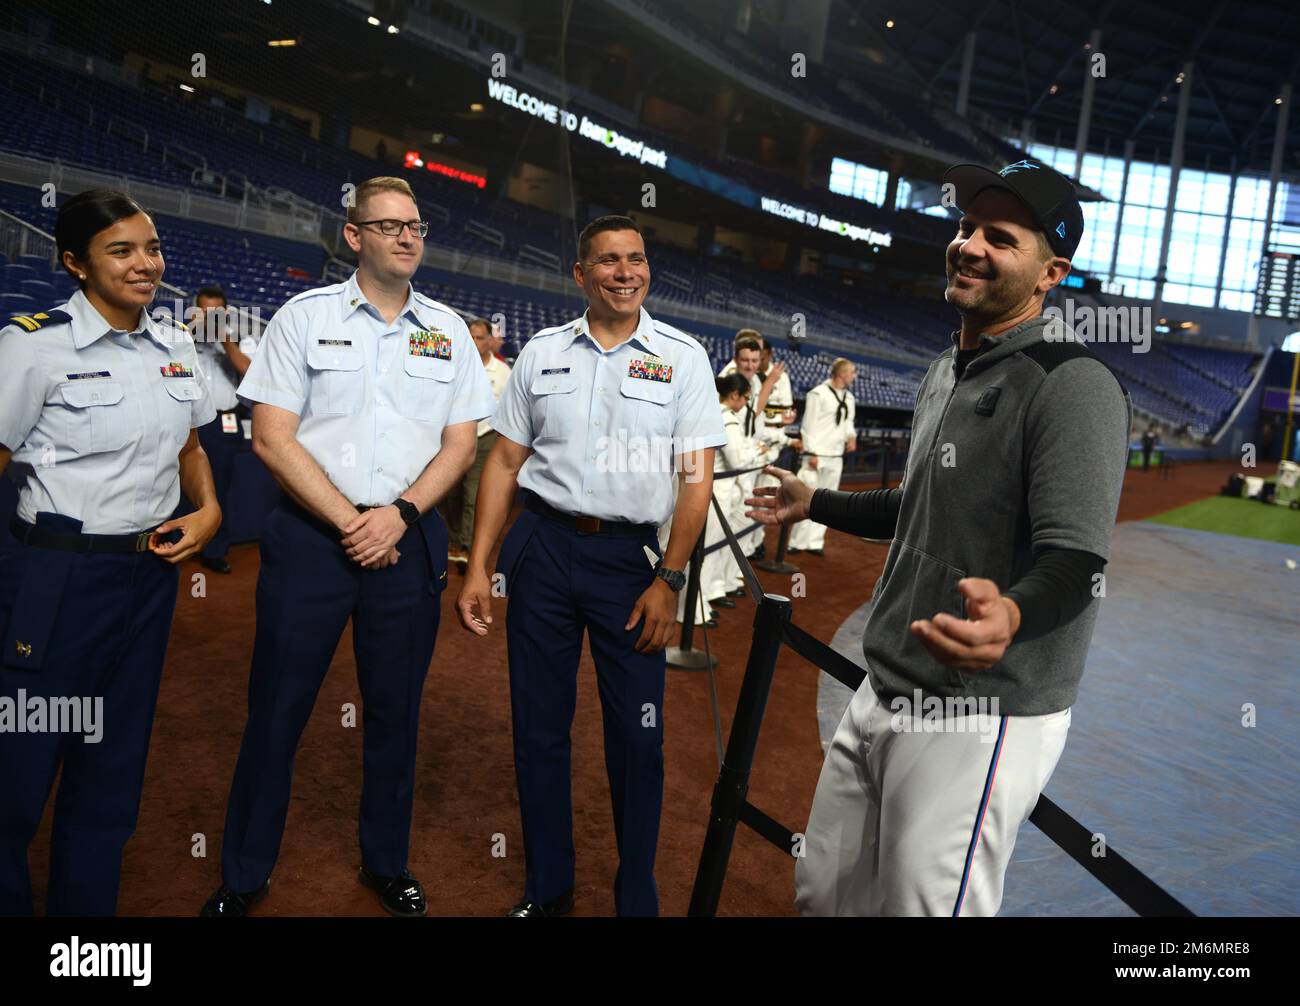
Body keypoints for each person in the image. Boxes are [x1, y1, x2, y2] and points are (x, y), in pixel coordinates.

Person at [749, 161, 1131, 916]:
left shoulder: (1072, 382)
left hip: (980, 711)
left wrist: (1012, 615)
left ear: (1051, 272)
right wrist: (815, 502)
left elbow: (1078, 560)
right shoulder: (943, 370)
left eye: (1000, 236)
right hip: (884, 679)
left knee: (924, 909)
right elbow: (914, 504)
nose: (970, 245)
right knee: (822, 895)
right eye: (965, 228)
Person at [200, 177, 494, 918]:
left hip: (408, 536)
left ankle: (385, 863)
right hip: (311, 541)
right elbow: (272, 437)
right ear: (354, 236)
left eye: (415, 226)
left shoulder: (449, 329)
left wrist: (396, 514)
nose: (406, 236)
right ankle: (242, 874)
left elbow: (461, 446)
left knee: (396, 714)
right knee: (276, 710)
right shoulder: (304, 317)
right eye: (388, 225)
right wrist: (350, 521)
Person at [455, 215, 725, 917]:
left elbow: (696, 479)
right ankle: (548, 888)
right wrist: (480, 565)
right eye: (608, 260)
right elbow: (505, 462)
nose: (625, 272)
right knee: (538, 727)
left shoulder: (683, 357)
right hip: (541, 548)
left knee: (638, 737)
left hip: (631, 562)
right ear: (581, 274)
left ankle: (635, 895)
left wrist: (670, 579)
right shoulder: (541, 354)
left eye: (636, 259)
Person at [0, 189, 220, 916]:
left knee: (111, 773)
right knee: (20, 775)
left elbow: (190, 444)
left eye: (152, 248)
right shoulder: (32, 345)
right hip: (58, 579)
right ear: (74, 262)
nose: (145, 264)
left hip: (147, 578)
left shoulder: (176, 343)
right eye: (121, 250)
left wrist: (210, 506)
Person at [188, 284, 257, 573]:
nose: (209, 318)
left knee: (217, 488)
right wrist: (192, 331)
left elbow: (249, 370)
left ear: (225, 313)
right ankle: (181, 541)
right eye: (204, 312)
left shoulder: (242, 338)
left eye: (215, 313)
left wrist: (224, 339)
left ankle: (215, 549)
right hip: (189, 420)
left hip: (224, 422)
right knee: (180, 486)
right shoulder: (182, 338)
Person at [446, 317, 511, 566]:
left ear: (490, 341)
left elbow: (508, 412)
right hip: (452, 438)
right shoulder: (454, 363)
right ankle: (453, 541)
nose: (474, 342)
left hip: (485, 439)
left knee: (473, 494)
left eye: (480, 338)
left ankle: (466, 547)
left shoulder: (503, 372)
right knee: (451, 495)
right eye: (471, 337)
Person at [789, 358, 857, 555]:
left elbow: (848, 423)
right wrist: (811, 451)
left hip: (836, 455)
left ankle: (815, 542)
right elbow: (807, 425)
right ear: (842, 373)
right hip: (816, 455)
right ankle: (797, 542)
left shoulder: (850, 398)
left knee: (828, 501)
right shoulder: (817, 394)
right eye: (851, 372)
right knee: (806, 498)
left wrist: (851, 435)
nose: (853, 376)